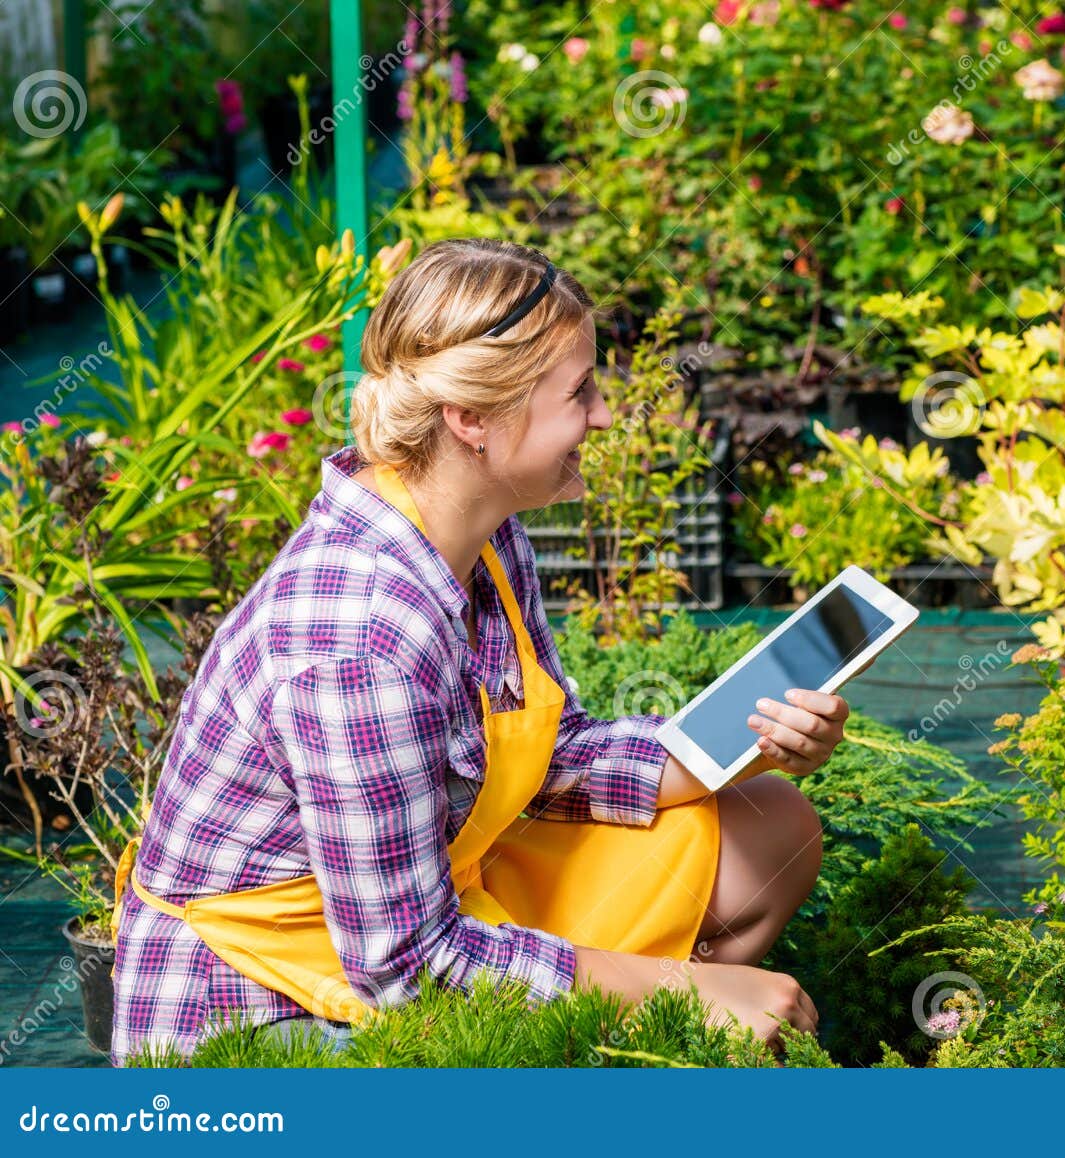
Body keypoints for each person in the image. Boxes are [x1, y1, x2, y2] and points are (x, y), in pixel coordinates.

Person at [111, 239, 848, 1064]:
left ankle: (622, 1046)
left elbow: (554, 753)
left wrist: (741, 741)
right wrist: (682, 990)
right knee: (679, 1001)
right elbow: (409, 972)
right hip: (269, 1006)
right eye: (579, 392)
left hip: (429, 908)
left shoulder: (484, 538)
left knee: (768, 826)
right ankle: (619, 1059)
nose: (604, 416)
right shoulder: (356, 646)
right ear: (472, 420)